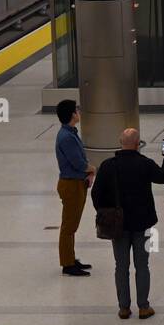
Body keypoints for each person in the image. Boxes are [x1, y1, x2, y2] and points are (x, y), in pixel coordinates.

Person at [91, 129, 164, 320]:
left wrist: (105, 212)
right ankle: (143, 307)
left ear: (120, 143)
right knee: (142, 265)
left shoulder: (108, 166)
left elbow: (96, 194)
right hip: (142, 223)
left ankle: (124, 308)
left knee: (121, 266)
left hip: (117, 225)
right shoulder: (144, 164)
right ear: (138, 144)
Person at [54, 99, 94, 277]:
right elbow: (78, 163)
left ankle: (70, 258)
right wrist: (93, 169)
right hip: (71, 184)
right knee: (69, 226)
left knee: (72, 225)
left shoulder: (69, 133)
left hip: (76, 182)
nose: (79, 111)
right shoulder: (67, 137)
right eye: (76, 109)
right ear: (72, 114)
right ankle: (67, 264)